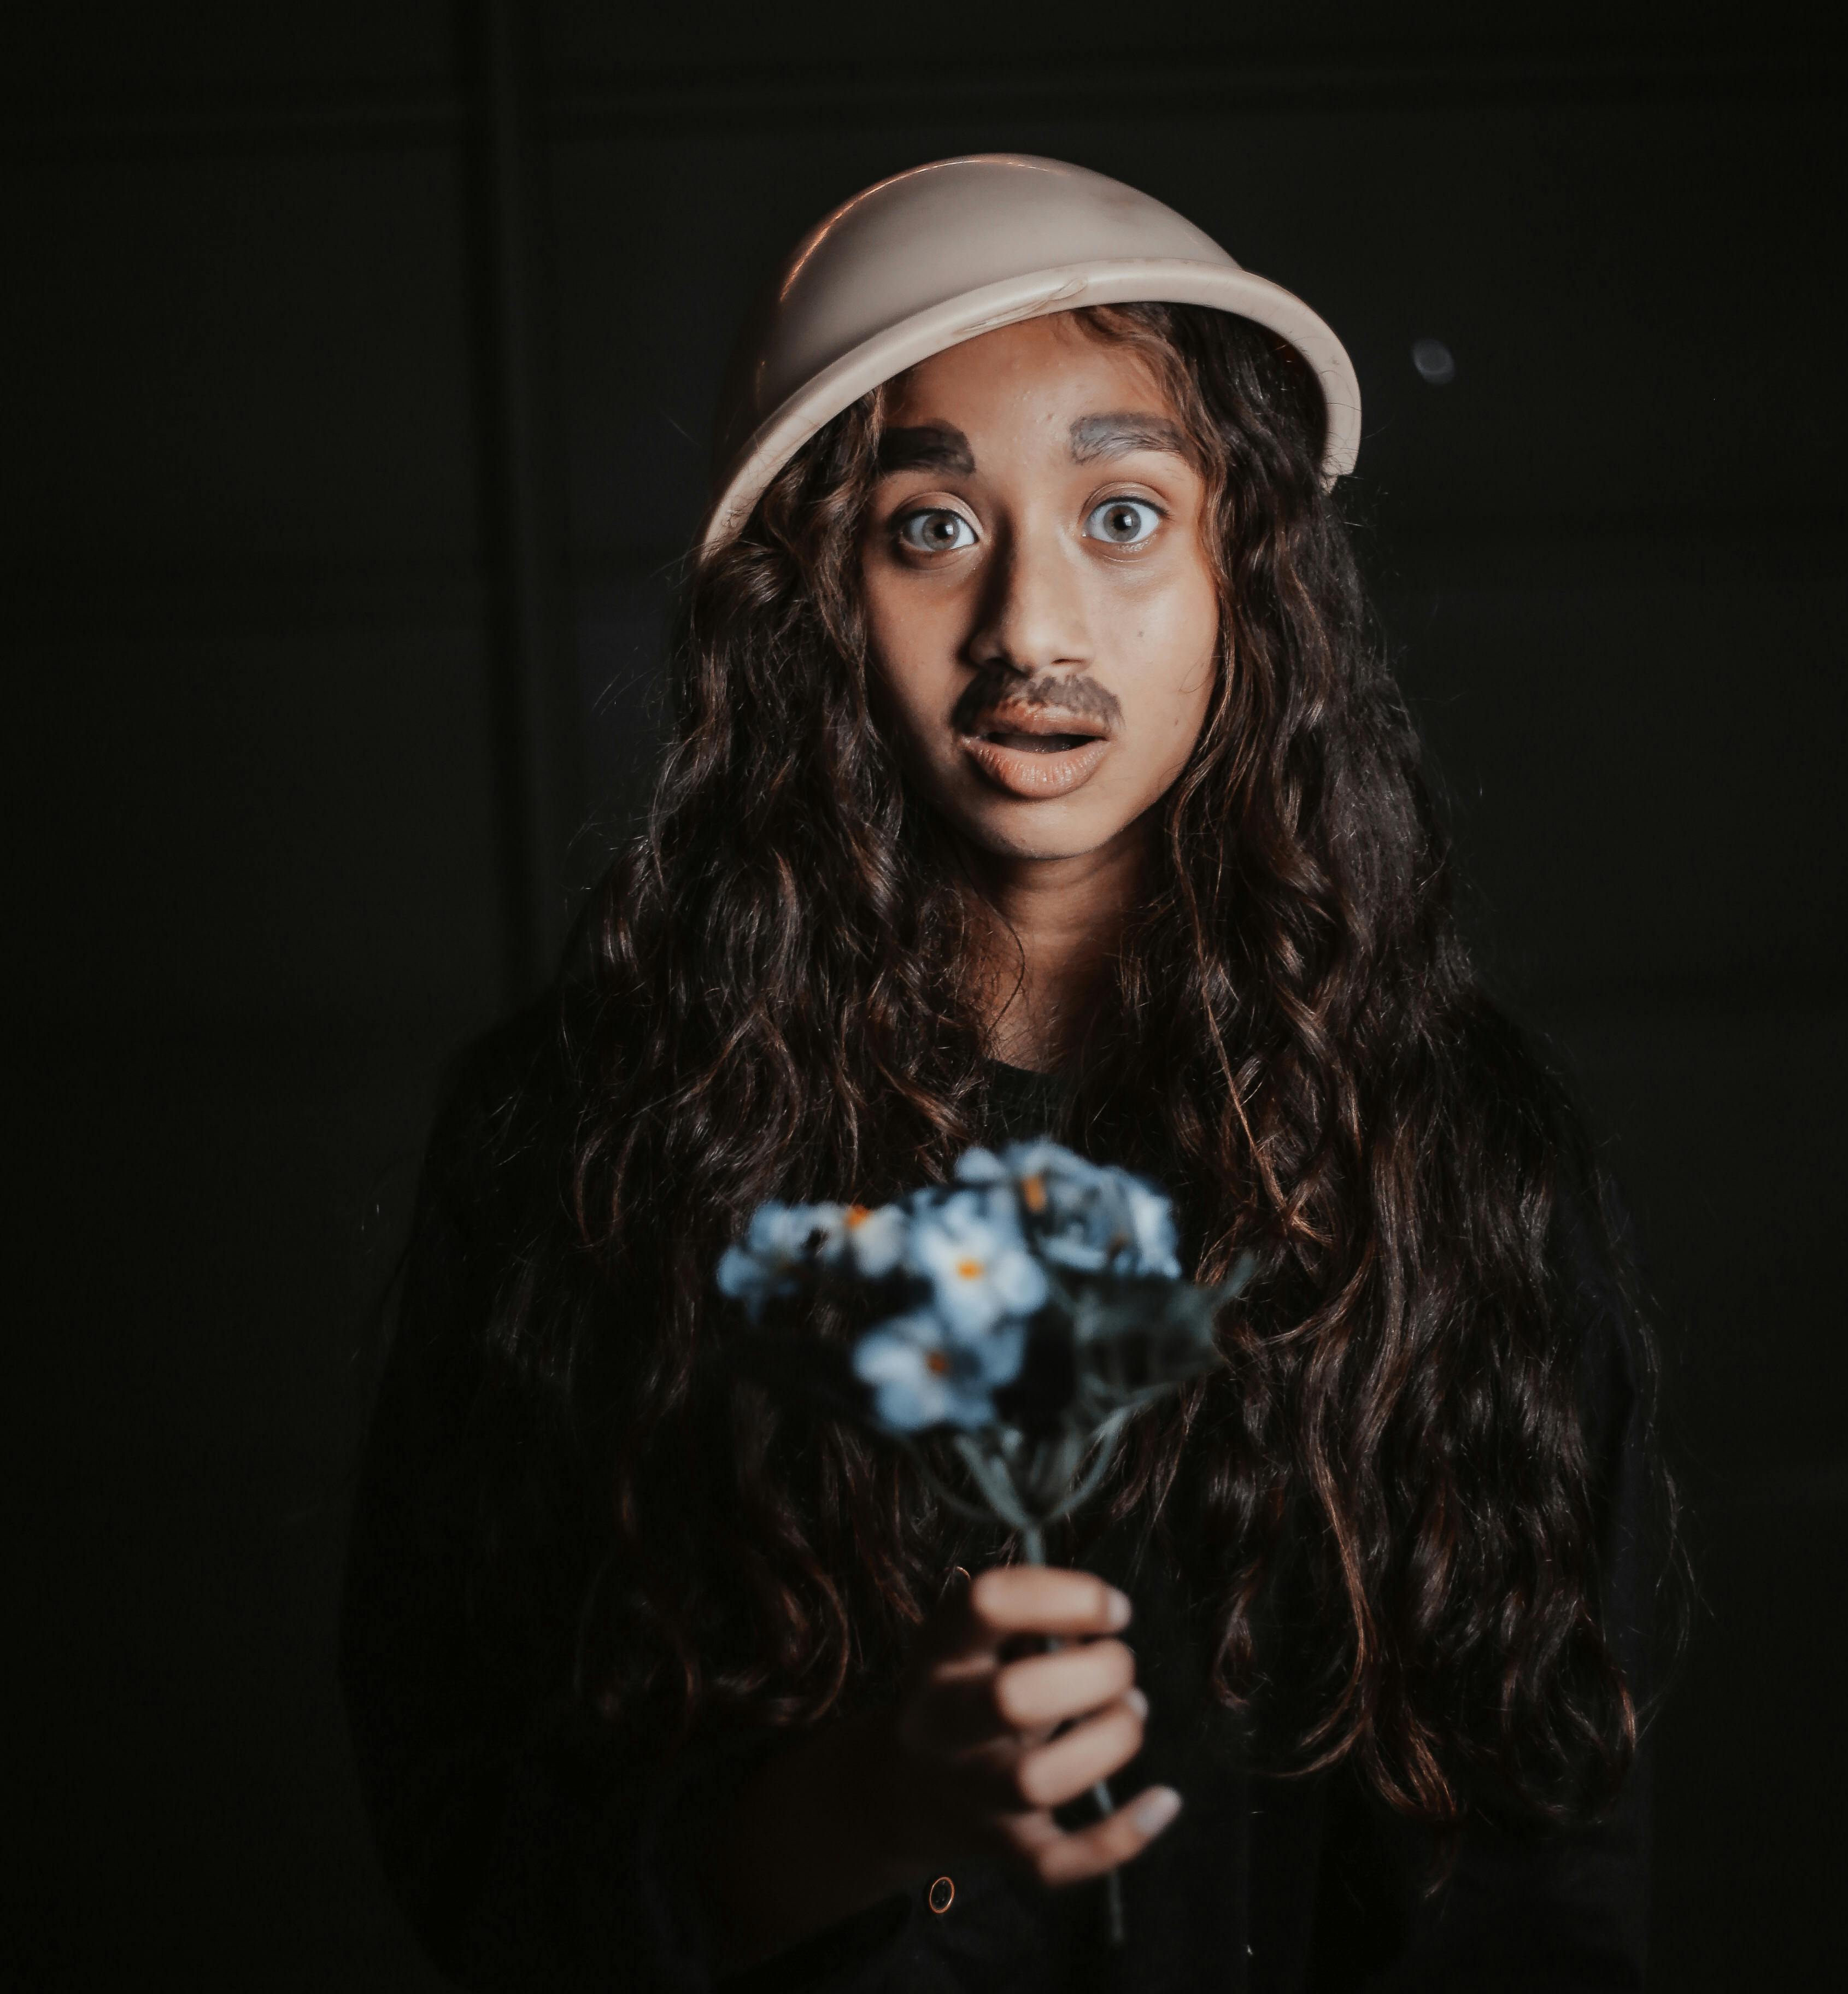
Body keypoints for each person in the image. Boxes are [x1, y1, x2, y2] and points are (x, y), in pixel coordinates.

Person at [339, 157, 1671, 1992]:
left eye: (1124, 514)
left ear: (1248, 576)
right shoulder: (578, 1150)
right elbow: (480, 1849)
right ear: (816, 597)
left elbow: (1548, 1877)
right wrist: (862, 1809)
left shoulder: (1456, 1158)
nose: (1032, 630)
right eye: (931, 528)